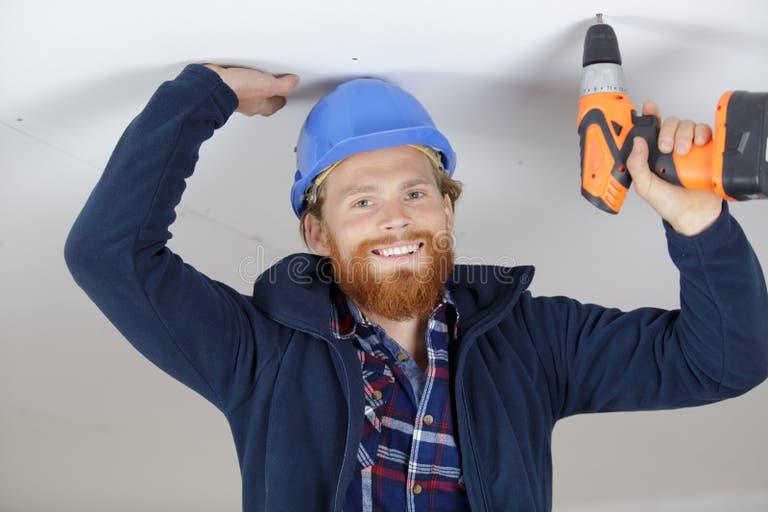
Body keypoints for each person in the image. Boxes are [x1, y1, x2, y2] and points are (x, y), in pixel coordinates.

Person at [64, 62, 768, 512]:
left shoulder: (535, 343)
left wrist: (699, 222)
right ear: (318, 235)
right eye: (361, 202)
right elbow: (108, 253)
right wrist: (202, 96)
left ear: (448, 210)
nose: (396, 216)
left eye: (415, 192)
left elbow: (725, 360)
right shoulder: (260, 352)